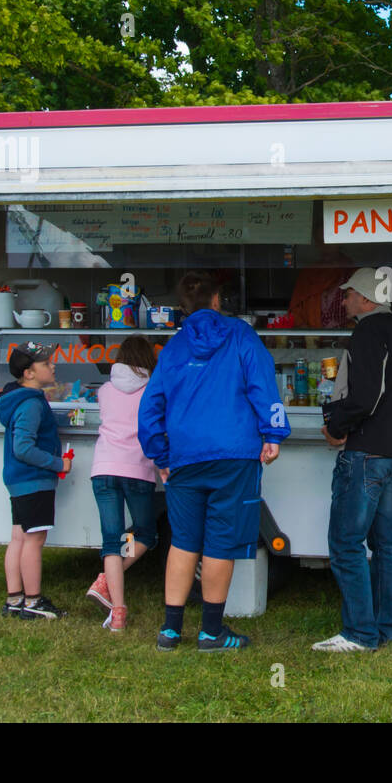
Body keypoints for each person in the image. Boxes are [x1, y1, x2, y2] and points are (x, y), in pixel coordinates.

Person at [138, 271, 290, 652]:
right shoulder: (241, 336)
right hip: (234, 455)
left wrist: (160, 453)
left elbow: (150, 408)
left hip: (185, 457)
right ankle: (211, 632)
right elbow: (263, 385)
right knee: (221, 543)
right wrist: (272, 434)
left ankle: (170, 631)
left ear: (184, 306)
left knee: (184, 541)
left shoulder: (172, 349)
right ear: (218, 300)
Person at [314, 267, 392, 652]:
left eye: (350, 294)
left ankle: (359, 633)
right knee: (386, 543)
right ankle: (384, 627)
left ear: (368, 299)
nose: (345, 299)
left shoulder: (367, 332)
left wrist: (336, 424)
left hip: (366, 451)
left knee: (346, 542)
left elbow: (366, 397)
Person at [86, 335, 160, 632]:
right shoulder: (153, 390)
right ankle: (103, 580)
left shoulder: (104, 389)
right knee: (146, 533)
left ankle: (117, 612)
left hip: (103, 469)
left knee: (111, 541)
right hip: (137, 469)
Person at [0, 342, 71, 620]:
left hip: (19, 480)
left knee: (19, 537)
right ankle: (33, 601)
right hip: (34, 480)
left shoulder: (19, 399)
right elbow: (23, 447)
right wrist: (57, 463)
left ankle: (15, 598)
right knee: (34, 540)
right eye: (46, 363)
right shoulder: (31, 404)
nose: (52, 366)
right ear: (29, 373)